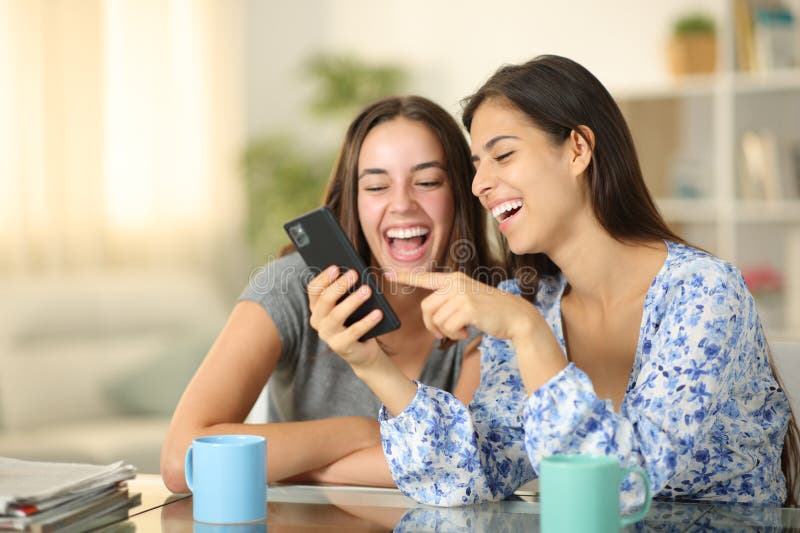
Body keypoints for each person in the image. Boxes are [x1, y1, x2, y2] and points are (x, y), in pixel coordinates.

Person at [308, 55, 799, 507]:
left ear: (578, 149)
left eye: (502, 156)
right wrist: (370, 362)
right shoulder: (531, 303)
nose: (479, 185)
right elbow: (470, 476)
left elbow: (621, 488)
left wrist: (529, 334)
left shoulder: (703, 293)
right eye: (477, 166)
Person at [160, 95, 502, 493]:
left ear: (461, 192)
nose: (402, 204)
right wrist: (362, 433)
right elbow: (180, 461)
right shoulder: (288, 287)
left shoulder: (492, 300)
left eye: (427, 182)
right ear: (353, 203)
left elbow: (461, 465)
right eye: (376, 186)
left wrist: (289, 466)